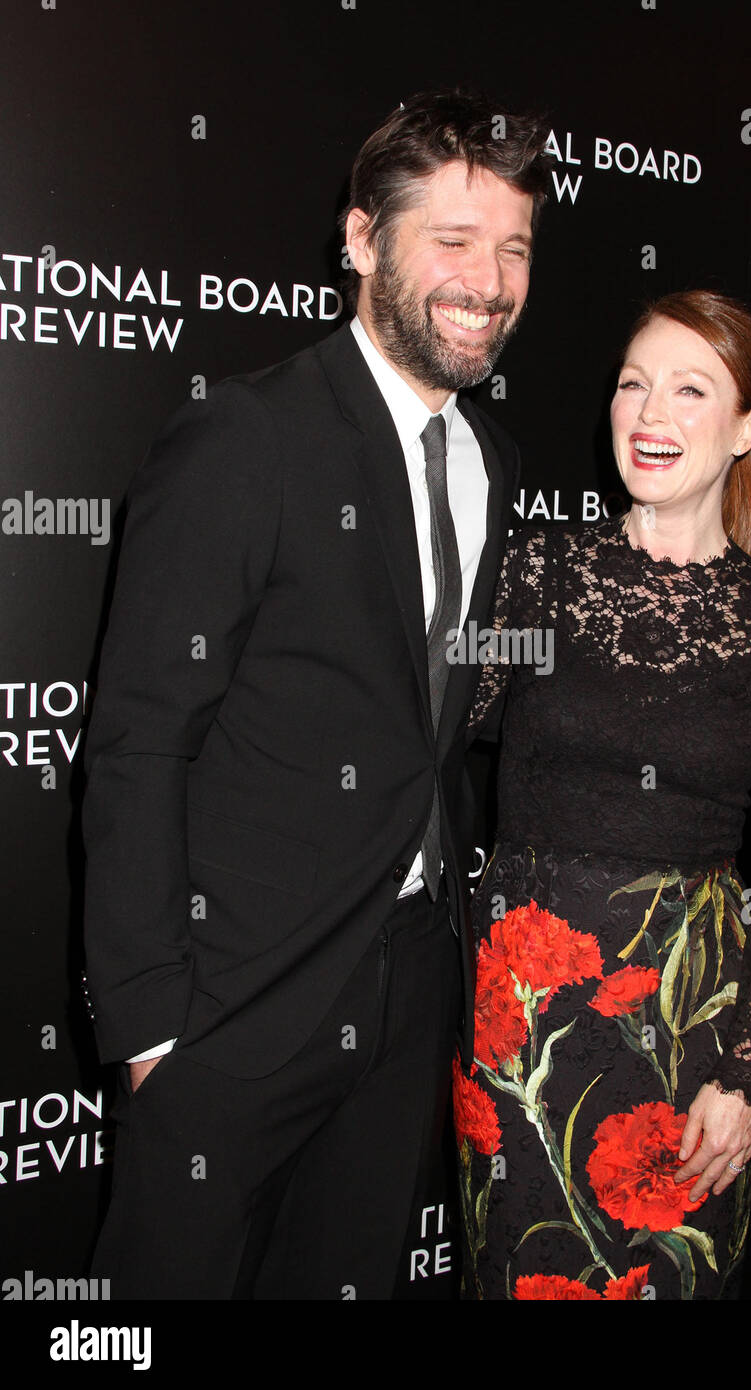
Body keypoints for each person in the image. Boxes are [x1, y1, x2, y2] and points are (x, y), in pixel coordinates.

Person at [82, 89, 549, 1299]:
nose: (487, 281)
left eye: (512, 249)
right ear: (359, 240)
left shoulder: (492, 459)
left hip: (405, 998)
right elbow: (139, 742)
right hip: (231, 1005)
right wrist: (149, 1031)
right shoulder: (247, 437)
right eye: (451, 241)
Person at [452, 289, 751, 1300]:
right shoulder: (537, 571)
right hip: (521, 1021)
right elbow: (432, 734)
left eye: (687, 389)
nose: (648, 412)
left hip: (685, 1032)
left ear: (746, 427)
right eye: (631, 385)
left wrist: (748, 1077)